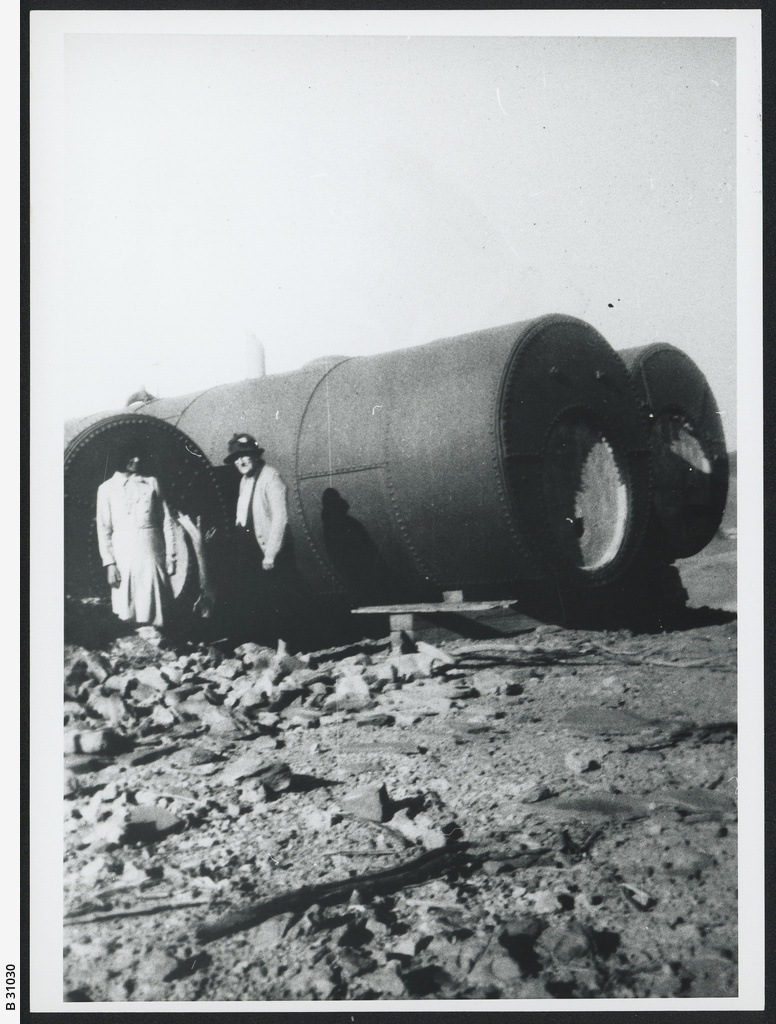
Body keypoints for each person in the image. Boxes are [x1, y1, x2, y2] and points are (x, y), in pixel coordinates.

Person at [95, 444, 176, 629]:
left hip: (152, 551)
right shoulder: (106, 489)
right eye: (131, 455)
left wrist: (170, 556)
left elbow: (166, 521)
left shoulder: (151, 482)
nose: (137, 460)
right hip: (124, 554)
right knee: (129, 609)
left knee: (156, 607)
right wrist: (110, 564)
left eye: (139, 455)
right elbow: (104, 529)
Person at [224, 433, 290, 640]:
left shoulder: (271, 477)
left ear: (255, 456)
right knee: (257, 596)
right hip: (249, 547)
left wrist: (270, 554)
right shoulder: (244, 480)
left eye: (245, 455)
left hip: (266, 548)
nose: (241, 461)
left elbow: (280, 517)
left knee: (277, 597)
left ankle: (284, 646)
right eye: (236, 458)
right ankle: (265, 642)